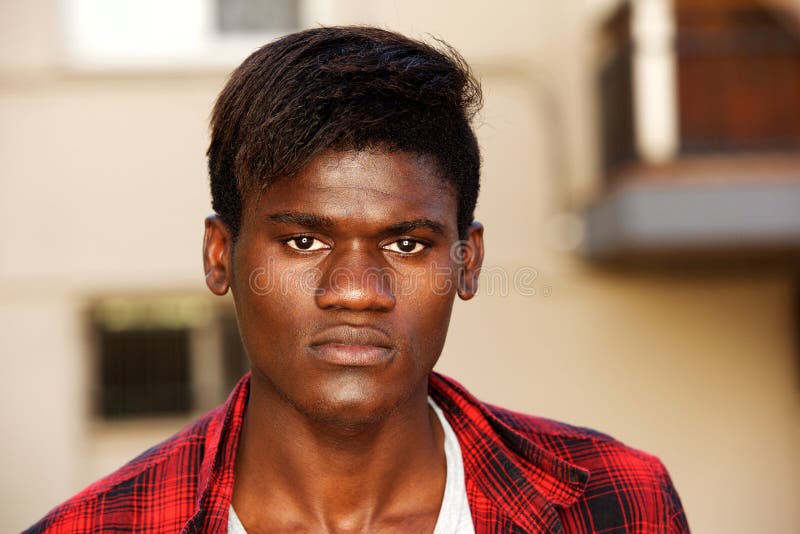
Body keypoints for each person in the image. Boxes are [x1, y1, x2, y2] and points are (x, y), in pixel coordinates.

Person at [27, 26, 689, 533]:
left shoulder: (614, 502)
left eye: (407, 243)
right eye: (303, 240)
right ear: (219, 255)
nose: (355, 289)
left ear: (468, 260)